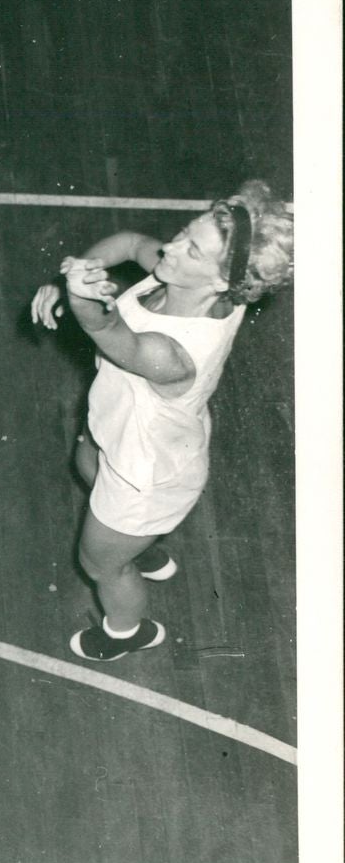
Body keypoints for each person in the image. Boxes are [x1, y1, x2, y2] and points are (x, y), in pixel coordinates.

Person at [29, 183, 293, 661]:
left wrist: (76, 293)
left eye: (191, 249)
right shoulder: (186, 279)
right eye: (182, 234)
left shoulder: (172, 354)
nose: (169, 247)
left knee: (99, 565)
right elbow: (130, 243)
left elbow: (105, 327)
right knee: (85, 462)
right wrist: (85, 271)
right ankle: (138, 544)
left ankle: (126, 631)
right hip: (125, 430)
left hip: (145, 476)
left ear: (221, 281)